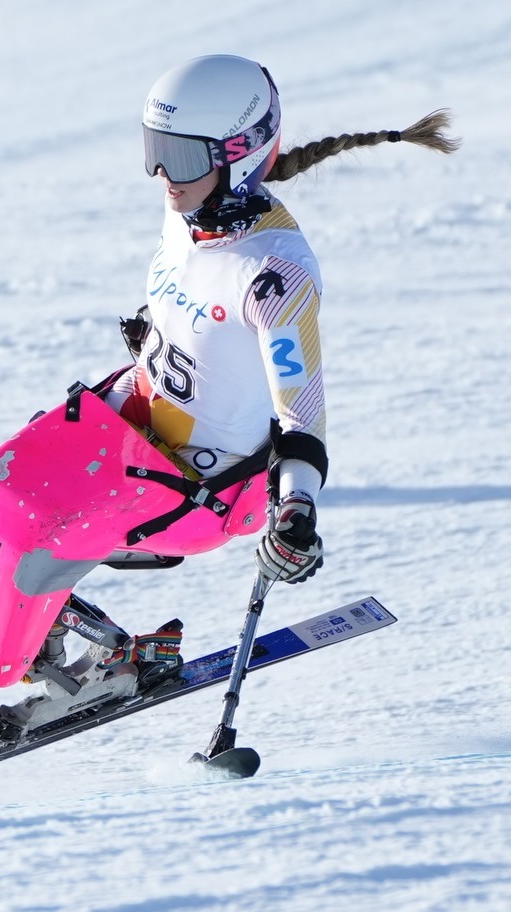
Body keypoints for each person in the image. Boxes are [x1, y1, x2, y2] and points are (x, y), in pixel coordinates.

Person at [117, 53, 459, 596]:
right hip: (132, 420)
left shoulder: (274, 275)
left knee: (34, 534)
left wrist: (296, 510)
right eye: (156, 152)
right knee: (1, 491)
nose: (163, 176)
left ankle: (102, 653)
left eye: (180, 158)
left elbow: (301, 416)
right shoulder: (188, 214)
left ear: (239, 156)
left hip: (200, 482)